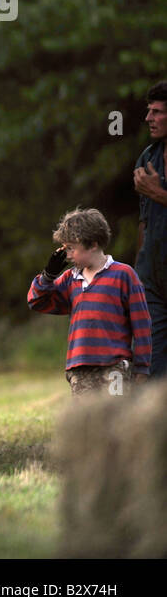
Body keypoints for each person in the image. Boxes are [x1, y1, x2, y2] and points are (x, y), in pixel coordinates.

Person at [27, 207, 151, 397]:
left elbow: (142, 325)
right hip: (80, 367)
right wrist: (48, 275)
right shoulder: (70, 279)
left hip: (115, 367)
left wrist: (142, 367)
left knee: (115, 416)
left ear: (92, 244)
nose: (67, 255)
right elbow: (36, 301)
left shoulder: (124, 275)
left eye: (71, 248)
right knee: (86, 422)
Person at [132, 80, 167, 378]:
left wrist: (160, 194)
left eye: (157, 112)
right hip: (152, 277)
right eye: (148, 111)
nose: (148, 118)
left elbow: (156, 199)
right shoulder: (148, 158)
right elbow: (143, 221)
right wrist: (135, 274)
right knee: (152, 362)